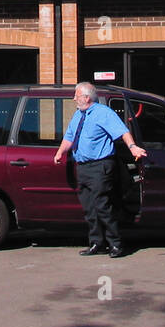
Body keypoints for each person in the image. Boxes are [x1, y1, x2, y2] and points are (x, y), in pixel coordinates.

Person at [54, 82, 146, 258]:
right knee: (89, 208)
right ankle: (97, 242)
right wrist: (60, 152)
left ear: (86, 98)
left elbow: (122, 132)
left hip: (100, 166)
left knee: (102, 205)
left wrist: (133, 147)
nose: (74, 99)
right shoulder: (78, 115)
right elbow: (69, 137)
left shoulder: (104, 113)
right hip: (83, 167)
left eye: (77, 96)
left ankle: (115, 244)